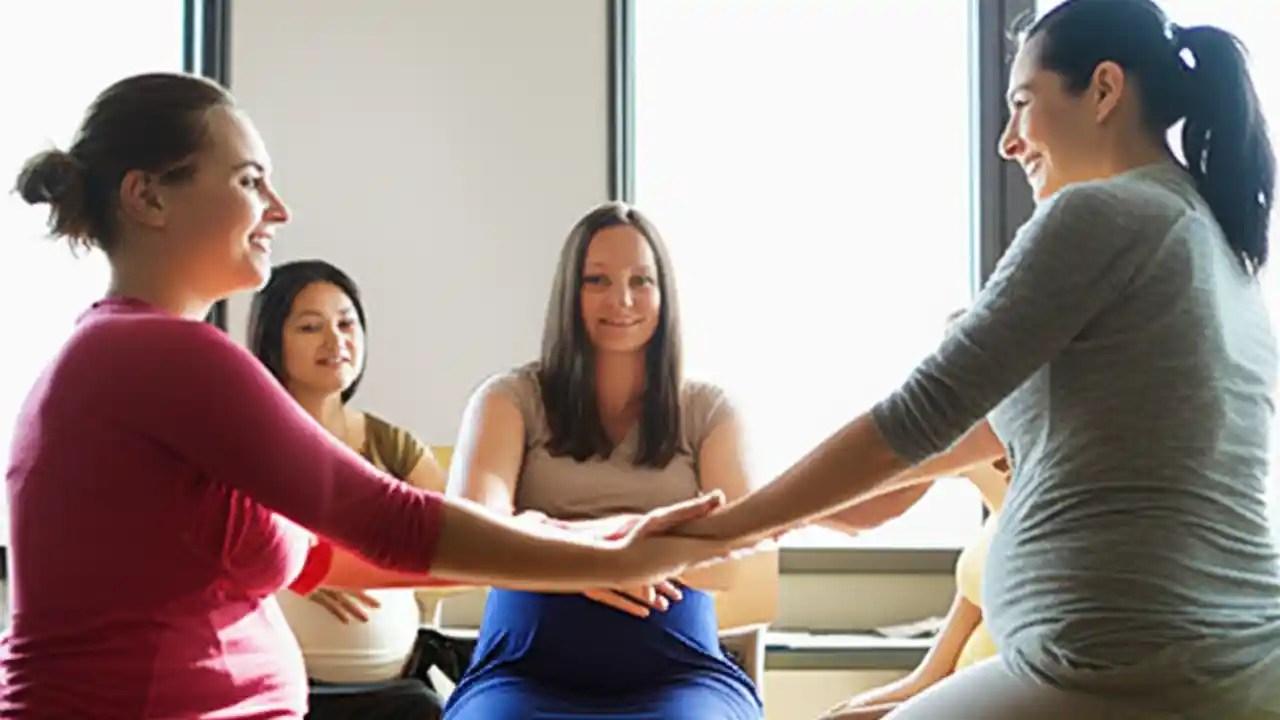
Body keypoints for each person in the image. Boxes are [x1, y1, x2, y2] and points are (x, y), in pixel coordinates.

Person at [2, 72, 741, 719]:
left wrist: (598, 536)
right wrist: (613, 561)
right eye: (249, 180)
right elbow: (391, 521)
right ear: (147, 197)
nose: (278, 208)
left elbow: (335, 556)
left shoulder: (131, 351)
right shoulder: (160, 353)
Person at [675, 0, 1280, 717]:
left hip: (1123, 666)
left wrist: (712, 534)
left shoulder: (1103, 216)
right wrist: (754, 517)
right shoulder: (1212, 246)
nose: (1007, 141)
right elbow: (907, 471)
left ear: (1105, 89)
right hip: (1224, 659)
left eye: (1023, 103)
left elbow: (913, 420)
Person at [441, 202, 764, 719]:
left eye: (641, 280)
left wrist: (566, 541)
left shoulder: (709, 409)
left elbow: (735, 555)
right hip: (521, 674)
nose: (622, 299)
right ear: (570, 293)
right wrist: (594, 555)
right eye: (597, 280)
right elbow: (471, 535)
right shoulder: (507, 399)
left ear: (665, 294)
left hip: (680, 676)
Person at [247, 259, 448, 719]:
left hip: (398, 692)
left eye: (346, 322)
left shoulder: (392, 445)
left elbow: (457, 543)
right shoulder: (248, 445)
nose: (335, 340)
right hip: (281, 690)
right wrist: (296, 571)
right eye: (310, 327)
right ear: (272, 340)